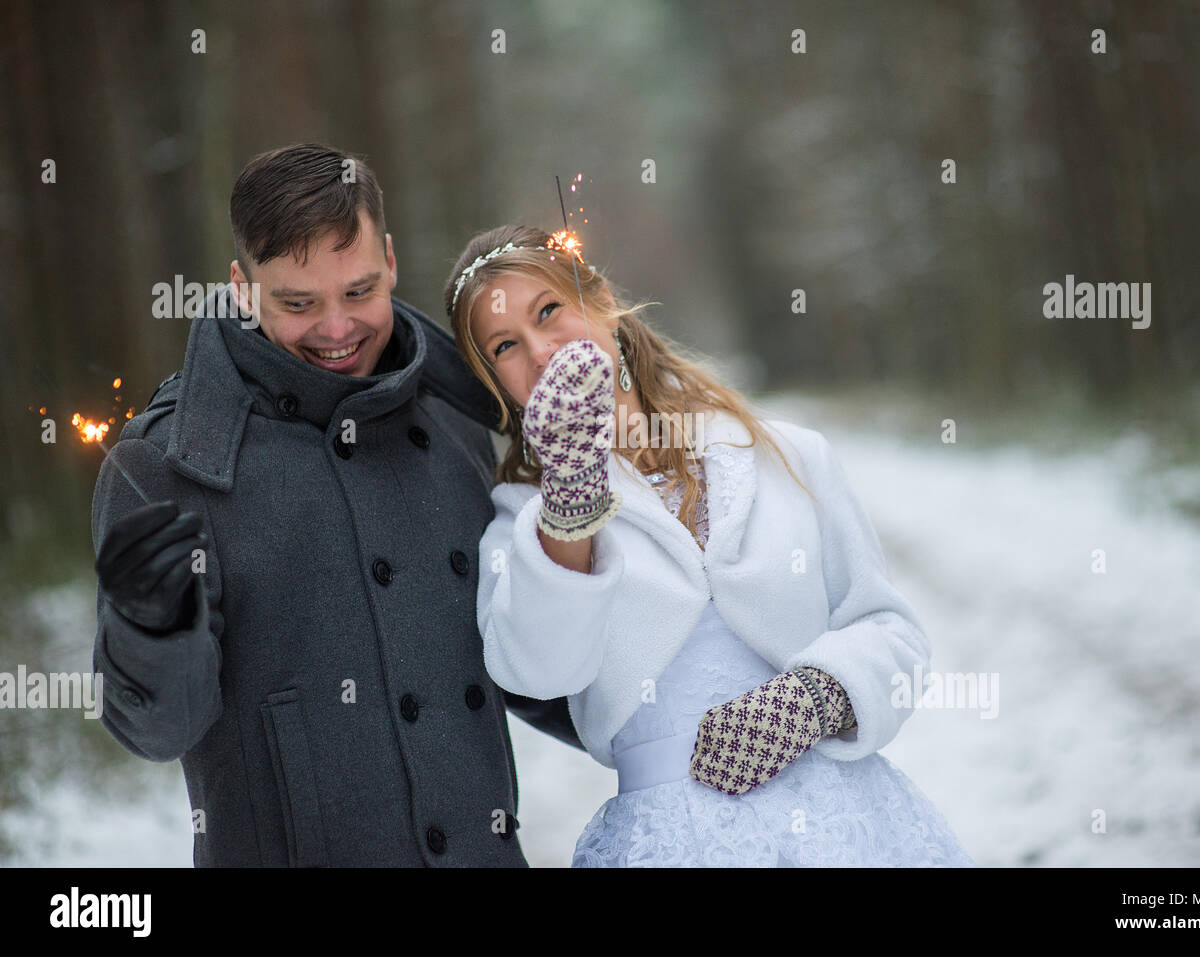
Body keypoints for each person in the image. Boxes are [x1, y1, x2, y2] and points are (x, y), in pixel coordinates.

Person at [90, 145, 583, 867]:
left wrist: (673, 717)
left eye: (358, 292)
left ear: (389, 259)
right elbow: (158, 730)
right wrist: (147, 629)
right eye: (298, 303)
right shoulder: (165, 465)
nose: (337, 328)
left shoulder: (461, 417)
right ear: (241, 287)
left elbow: (529, 657)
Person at [442, 224, 977, 866]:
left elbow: (892, 633)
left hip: (849, 826)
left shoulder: (789, 456)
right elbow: (538, 669)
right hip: (675, 843)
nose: (540, 350)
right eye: (505, 344)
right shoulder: (523, 520)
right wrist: (570, 510)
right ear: (497, 382)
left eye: (549, 310)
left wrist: (818, 697)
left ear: (602, 301)